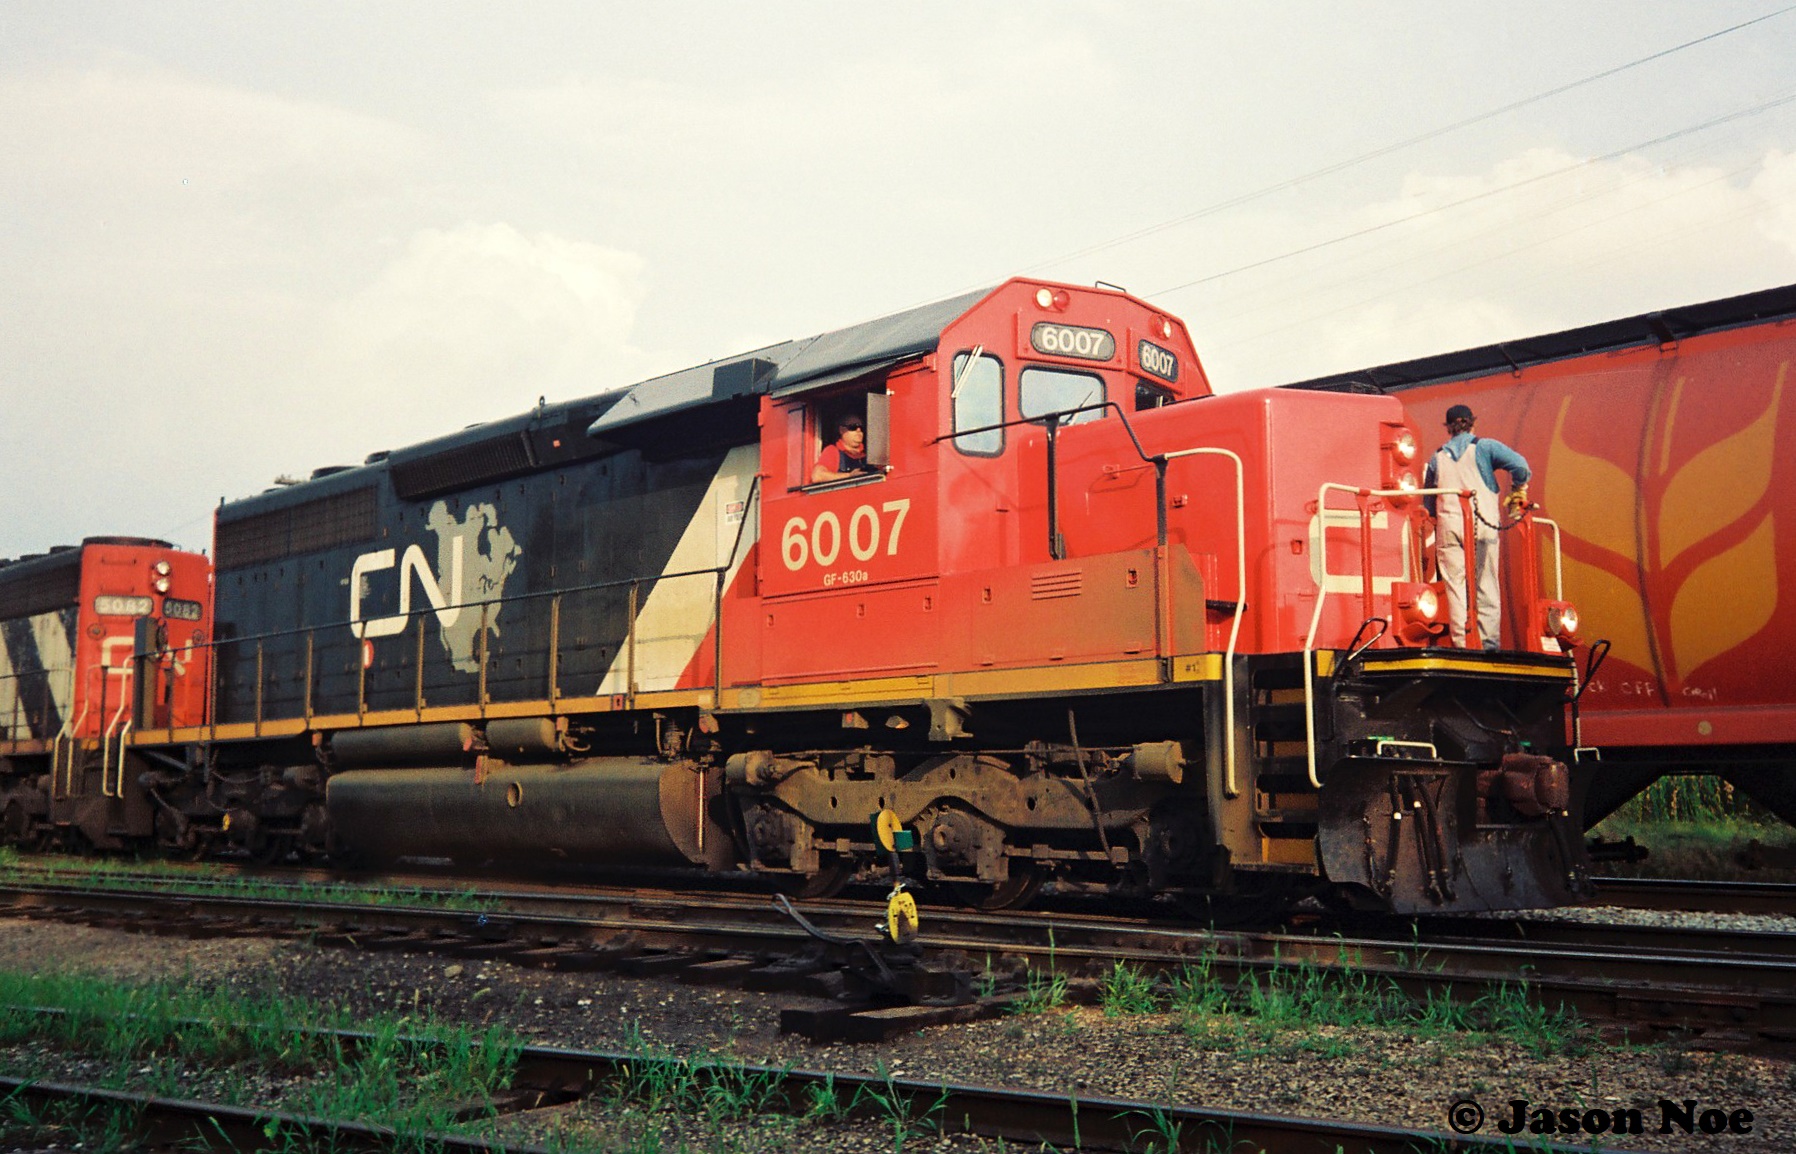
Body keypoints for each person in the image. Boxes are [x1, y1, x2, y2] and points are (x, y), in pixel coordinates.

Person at [1423, 403, 1531, 650]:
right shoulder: (1486, 447)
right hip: (1482, 525)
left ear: (1448, 428)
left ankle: (1463, 644)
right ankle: (1489, 643)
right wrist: (1518, 489)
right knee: (1485, 583)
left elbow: (1428, 504)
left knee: (1455, 586)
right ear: (1472, 422)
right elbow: (1521, 467)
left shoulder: (1436, 458)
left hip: (1449, 528)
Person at [811, 414, 876, 483]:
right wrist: (849, 476)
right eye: (853, 427)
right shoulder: (833, 451)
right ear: (841, 430)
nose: (858, 430)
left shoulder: (870, 455)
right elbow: (817, 476)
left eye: (861, 428)